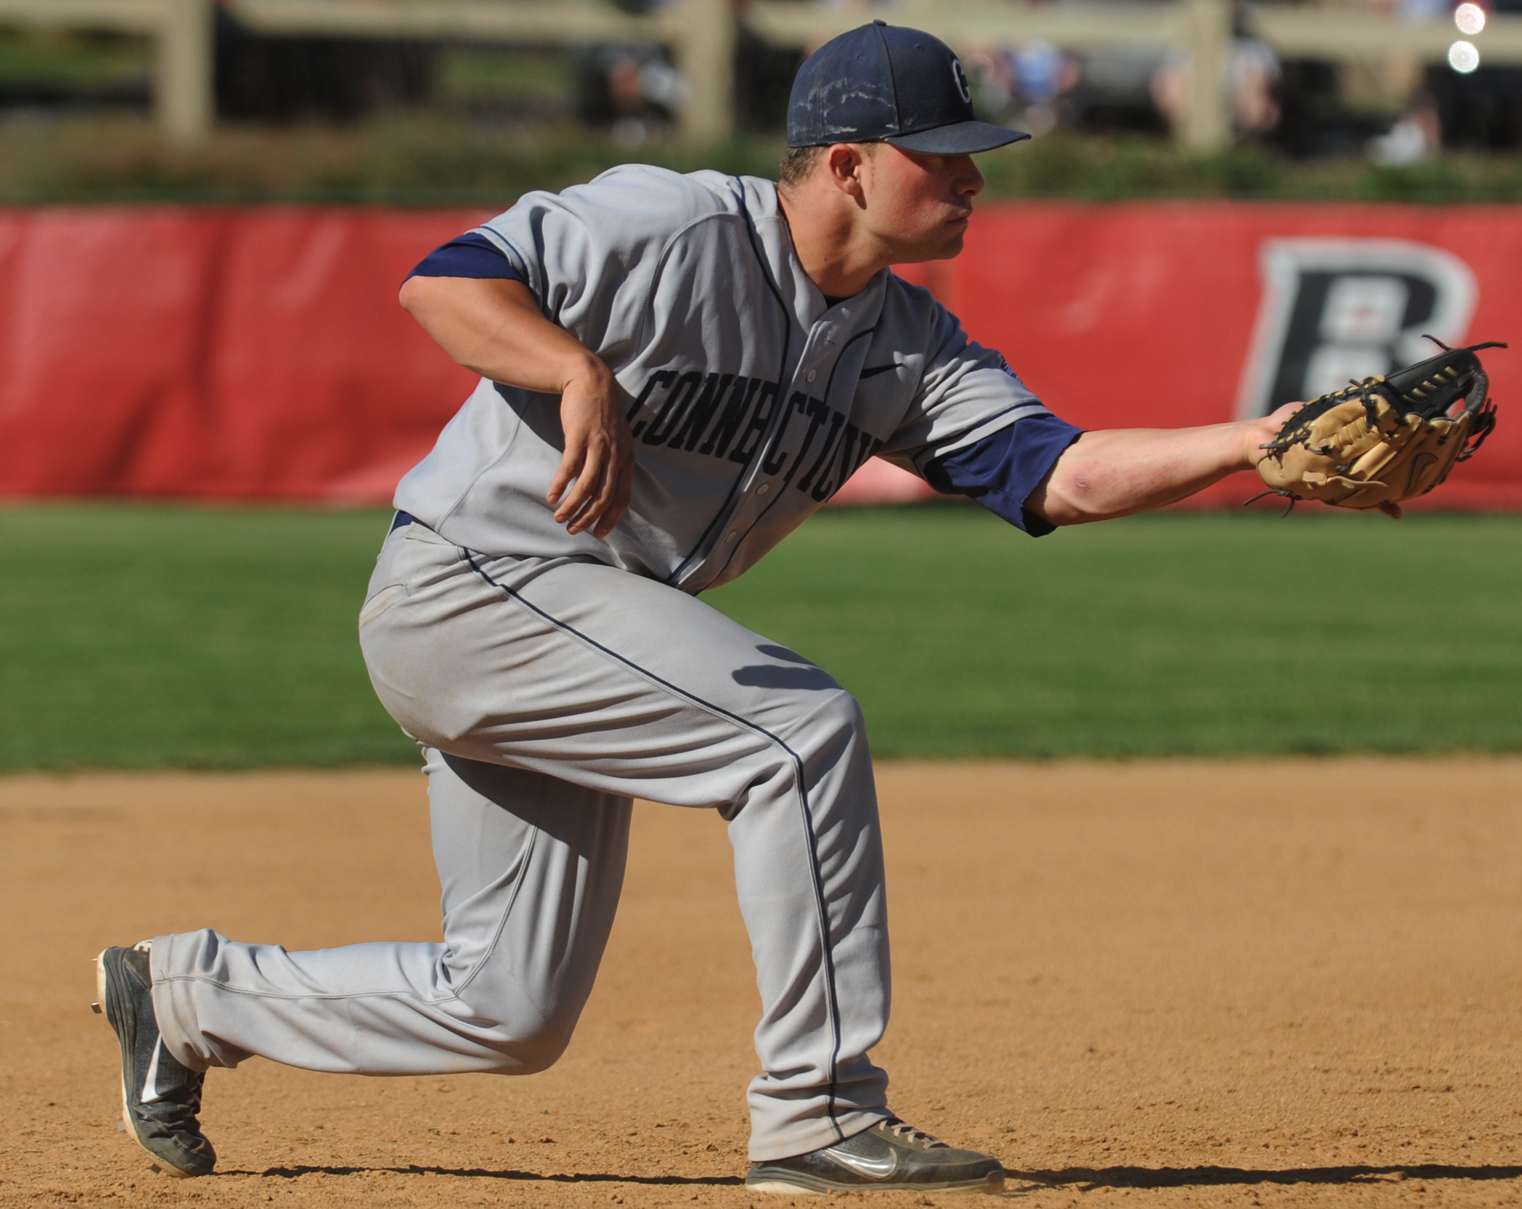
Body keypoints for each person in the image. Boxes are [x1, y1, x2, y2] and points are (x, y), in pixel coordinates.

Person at [93, 20, 1300, 1196]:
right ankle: (817, 1114)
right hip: (472, 590)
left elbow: (1060, 475)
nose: (974, 178)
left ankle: (190, 997)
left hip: (584, 631)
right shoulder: (671, 225)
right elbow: (445, 280)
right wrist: (574, 368)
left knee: (506, 1008)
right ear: (847, 165)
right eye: (944, 152)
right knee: (799, 733)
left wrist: (1261, 443)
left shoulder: (912, 346)